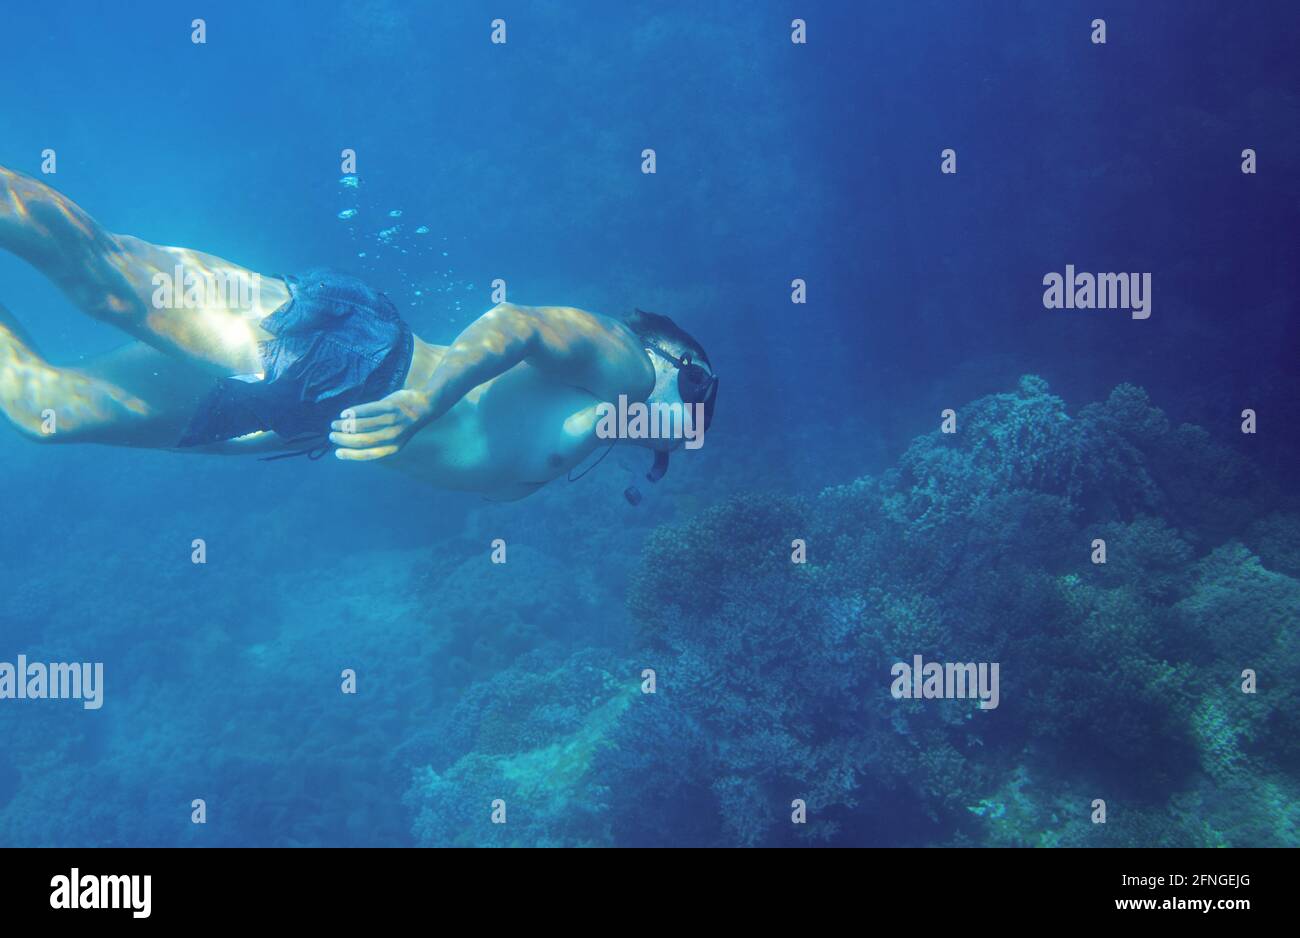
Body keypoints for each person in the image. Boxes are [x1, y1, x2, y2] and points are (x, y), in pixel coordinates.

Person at [0, 167, 717, 501]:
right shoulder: (627, 362)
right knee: (109, 283)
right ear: (673, 361)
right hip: (356, 362)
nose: (689, 430)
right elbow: (516, 323)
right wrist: (425, 402)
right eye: (699, 396)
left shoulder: (604, 424)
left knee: (43, 413)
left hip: (308, 420)